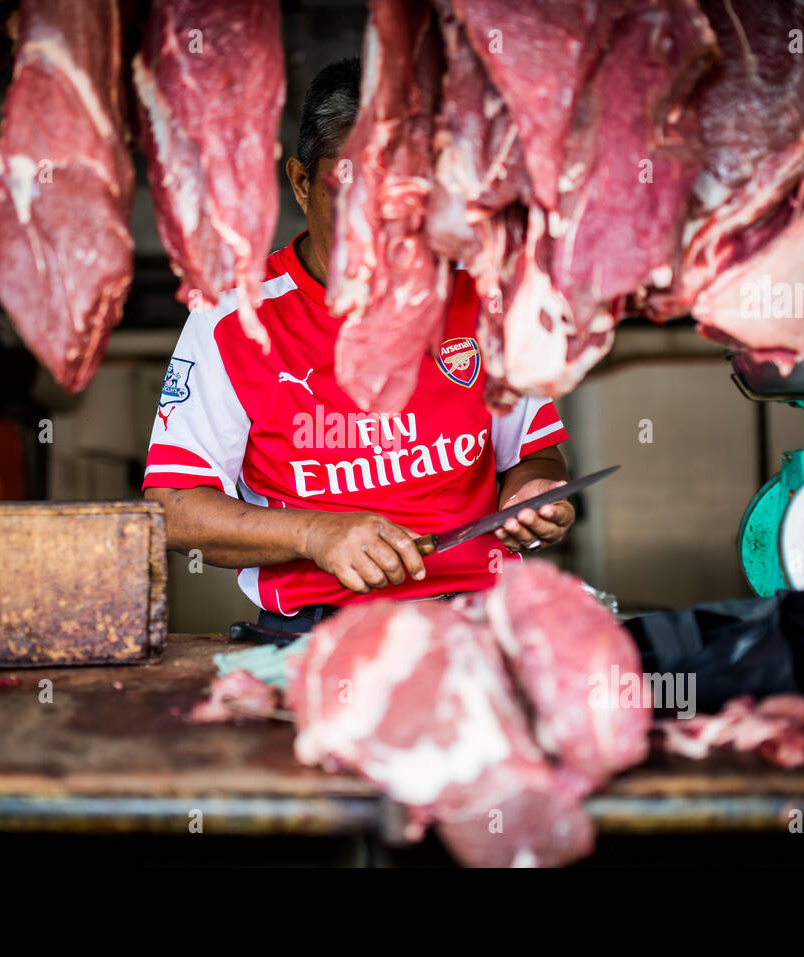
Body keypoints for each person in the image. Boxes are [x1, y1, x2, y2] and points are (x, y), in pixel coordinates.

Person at [143, 57, 575, 633]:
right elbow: (173, 508)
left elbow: (532, 454)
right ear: (300, 184)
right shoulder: (231, 321)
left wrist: (536, 495)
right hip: (322, 633)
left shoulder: (480, 297)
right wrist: (313, 533)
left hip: (484, 620)